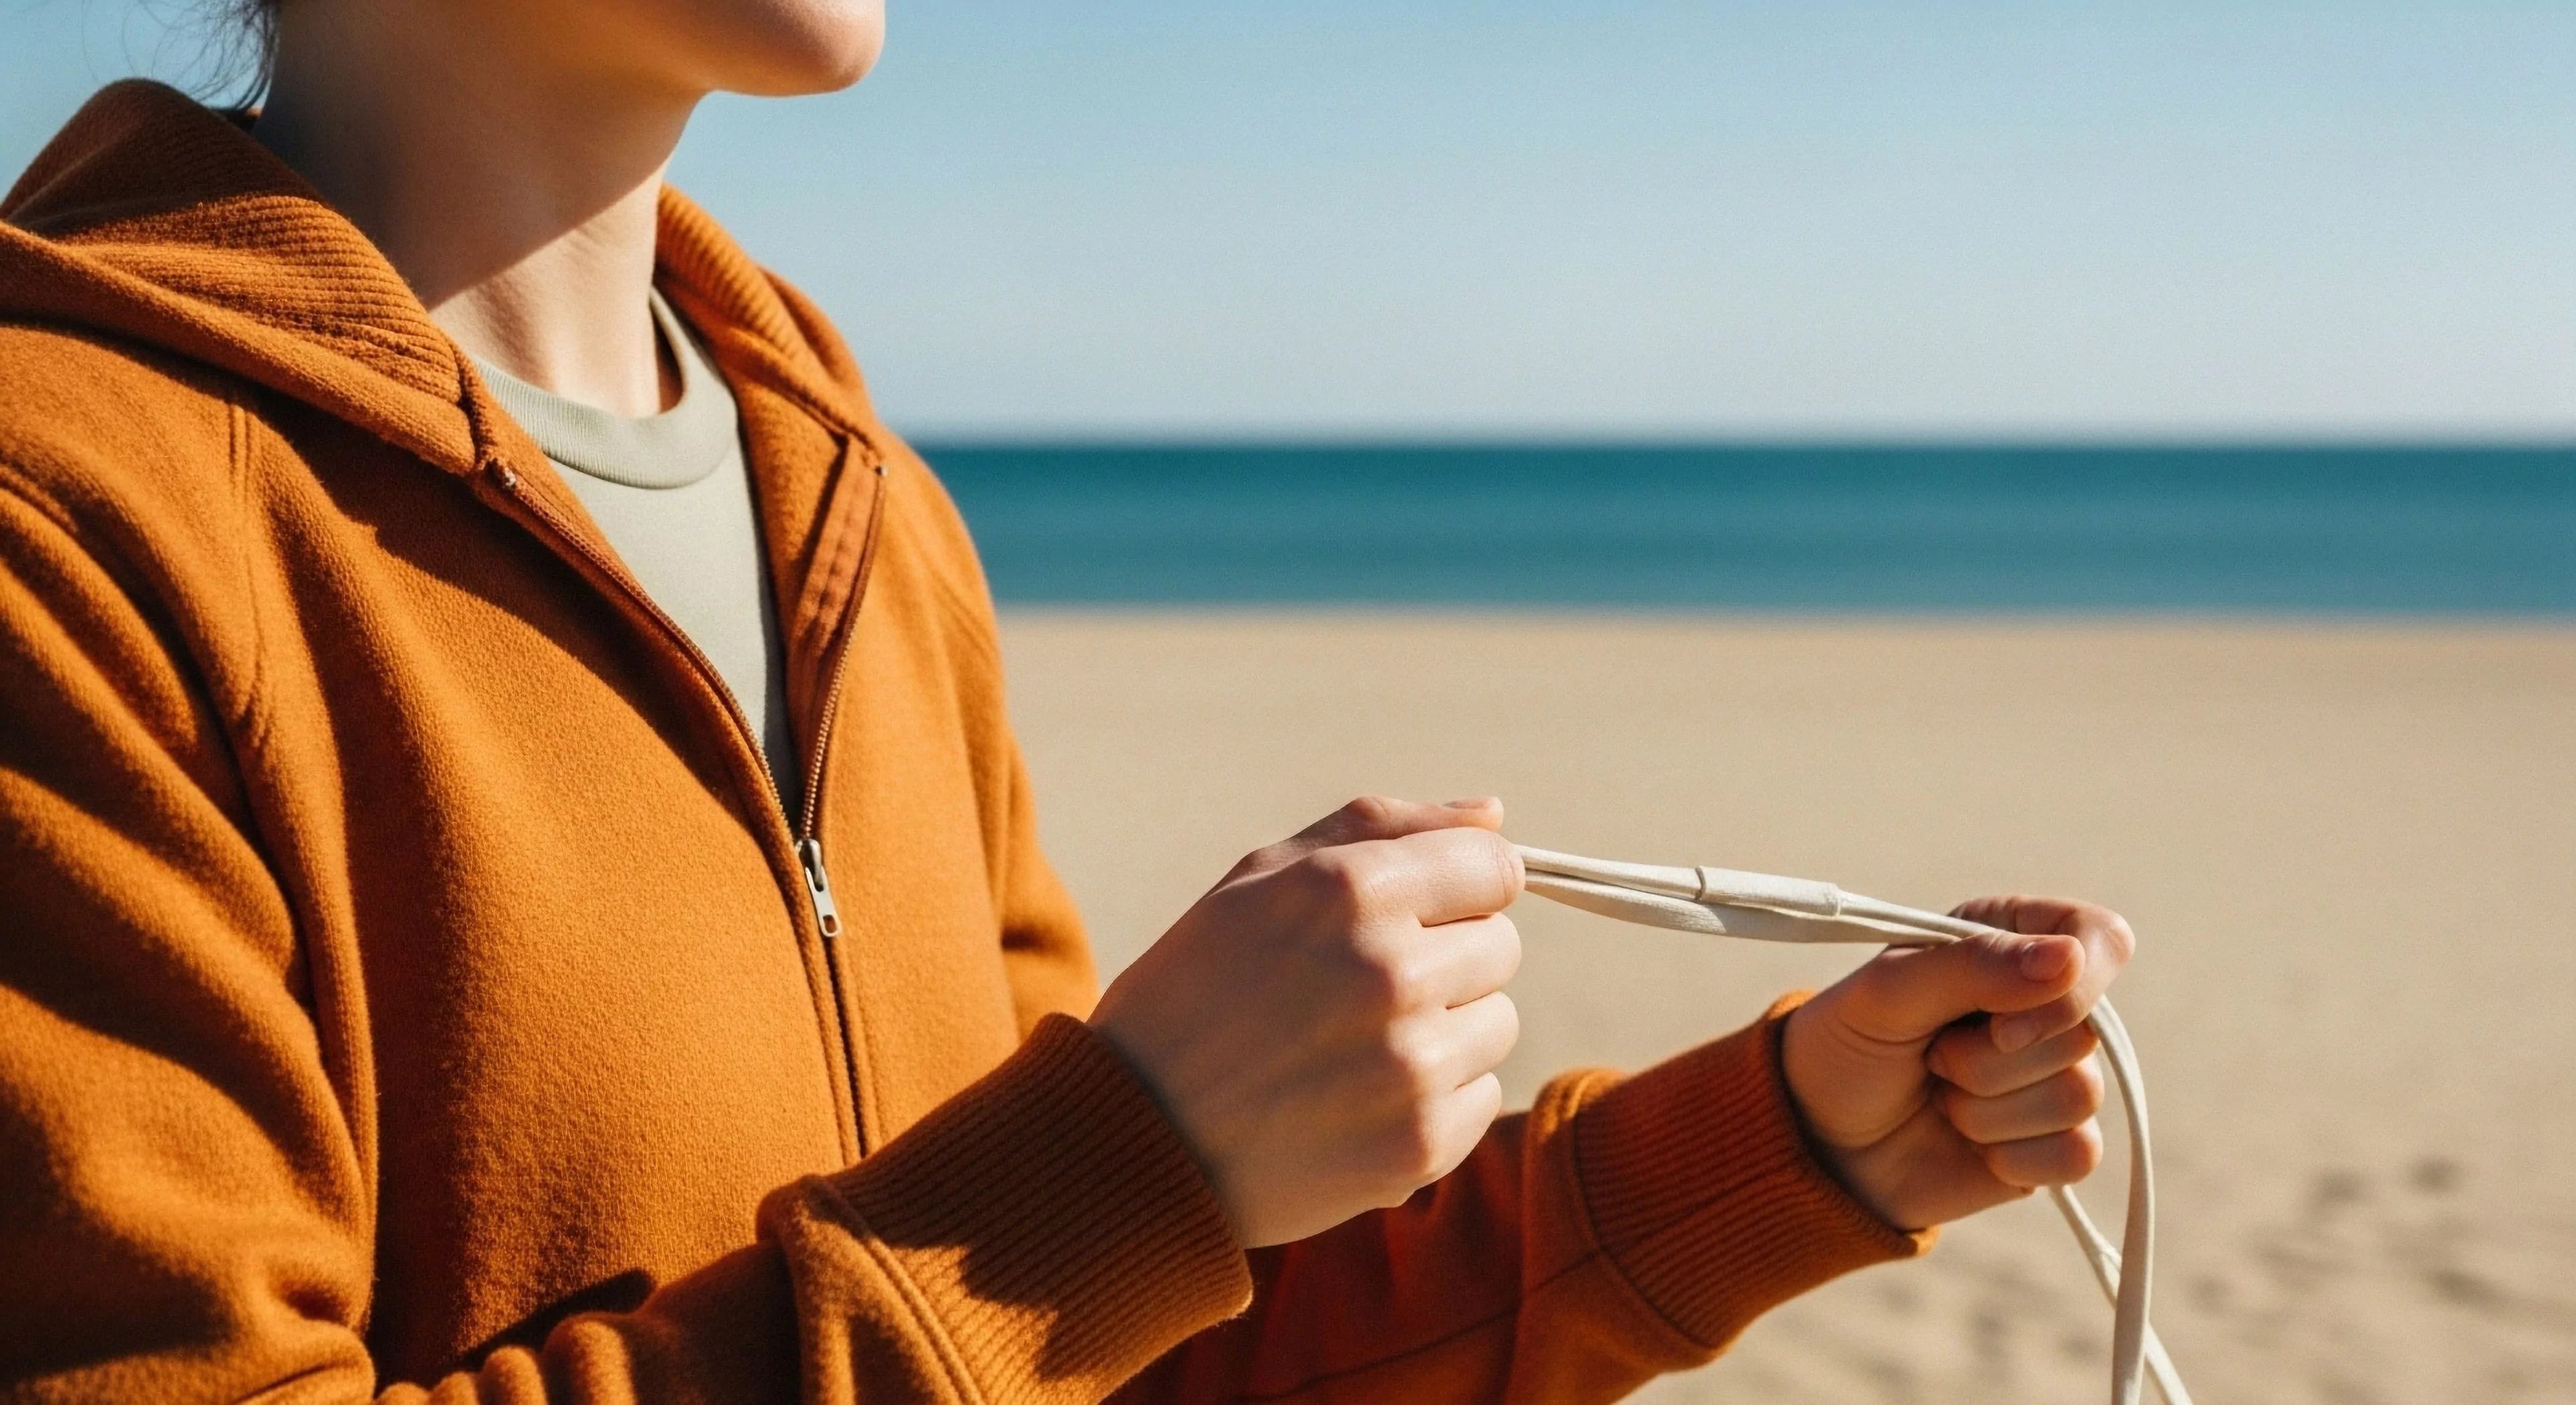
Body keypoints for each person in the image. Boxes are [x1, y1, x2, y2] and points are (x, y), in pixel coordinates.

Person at [0, 1, 2133, 1399]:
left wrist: (1764, 1144)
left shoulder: (856, 504)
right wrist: (1130, 1159)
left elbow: (1113, 1347)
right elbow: (1025, 1267)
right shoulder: (64, 512)